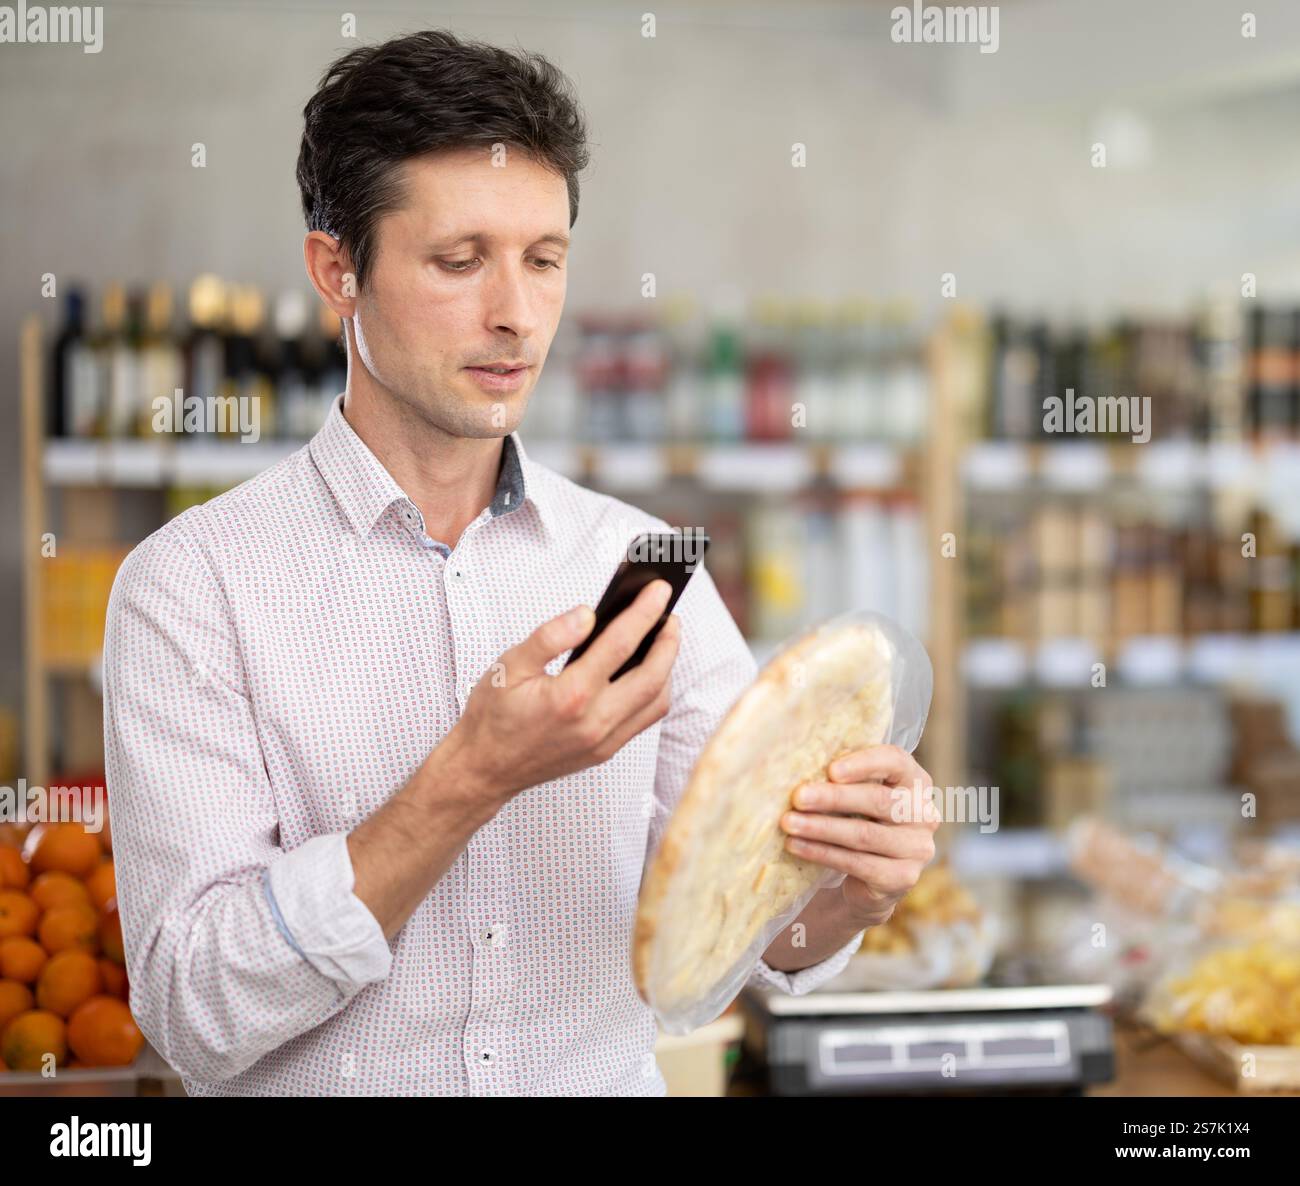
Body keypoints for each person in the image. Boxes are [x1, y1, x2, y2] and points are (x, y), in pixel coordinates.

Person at [103, 29, 937, 1097]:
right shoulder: (192, 587)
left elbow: (742, 934)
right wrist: (470, 776)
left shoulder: (636, 563)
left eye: (544, 260)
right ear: (336, 271)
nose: (516, 313)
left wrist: (848, 893)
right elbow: (192, 1011)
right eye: (459, 261)